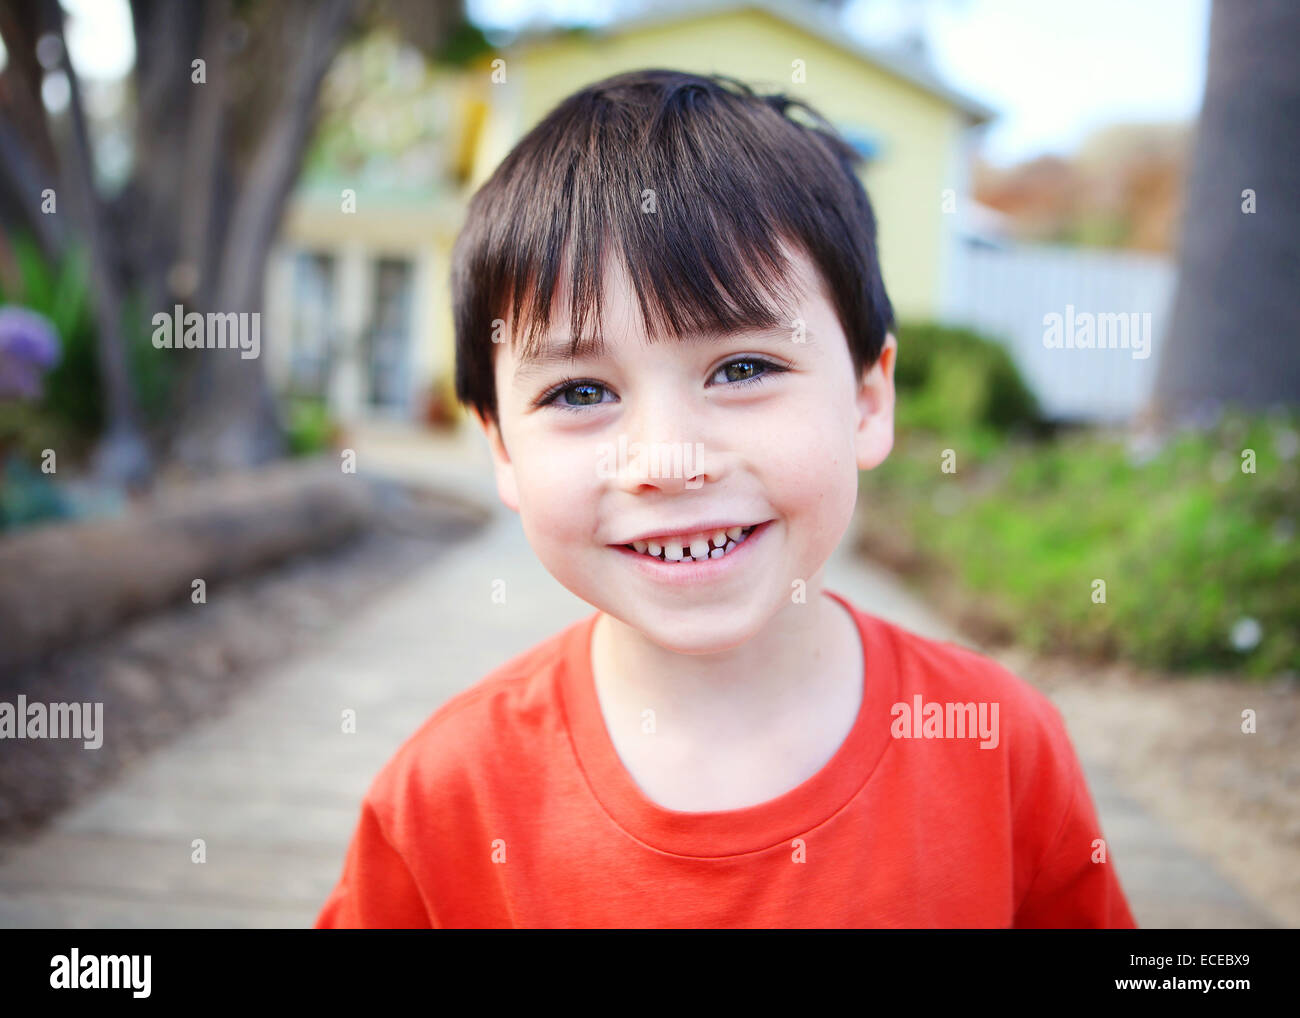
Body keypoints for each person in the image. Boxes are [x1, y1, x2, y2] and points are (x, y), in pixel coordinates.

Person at [314, 68, 1137, 929]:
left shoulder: (998, 744)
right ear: (501, 448)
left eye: (742, 369)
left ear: (867, 399)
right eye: (581, 393)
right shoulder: (446, 797)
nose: (668, 463)